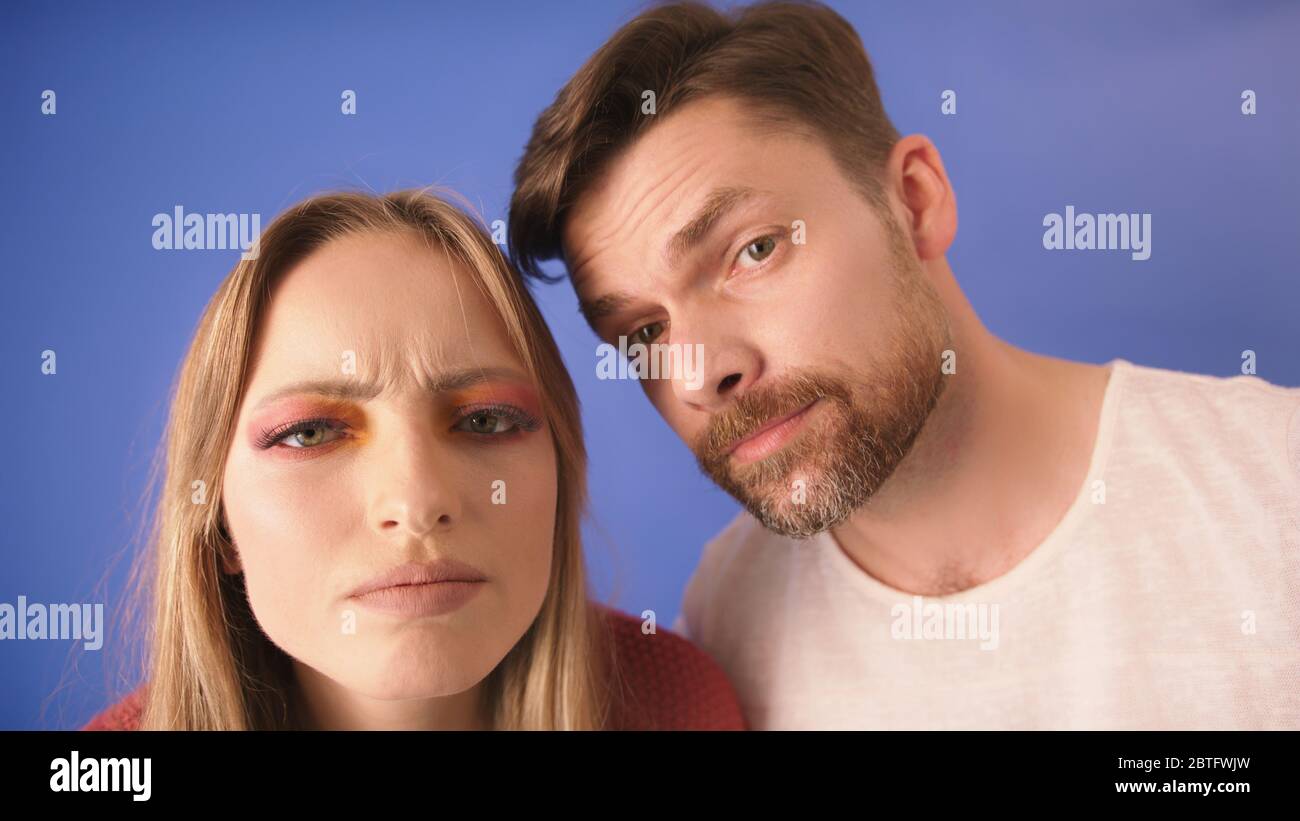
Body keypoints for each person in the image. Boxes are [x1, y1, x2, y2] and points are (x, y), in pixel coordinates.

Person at [507, 0, 1300, 728]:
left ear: (916, 201)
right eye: (644, 331)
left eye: (754, 250)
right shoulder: (728, 618)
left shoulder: (1274, 481)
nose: (696, 375)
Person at [83, 189, 745, 730]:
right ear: (219, 519)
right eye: (310, 433)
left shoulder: (679, 706)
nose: (418, 501)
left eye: (486, 420)